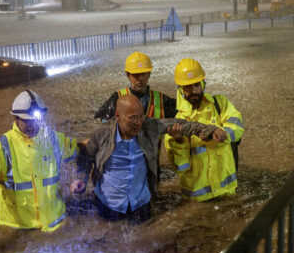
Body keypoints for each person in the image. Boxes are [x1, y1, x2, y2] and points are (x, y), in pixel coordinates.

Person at [72, 94, 226, 223]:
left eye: (141, 116)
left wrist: (210, 131)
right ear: (117, 116)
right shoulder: (102, 134)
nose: (139, 123)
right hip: (109, 206)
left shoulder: (149, 126)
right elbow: (87, 156)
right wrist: (81, 179)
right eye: (133, 118)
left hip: (141, 206)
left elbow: (184, 125)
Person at [0, 90, 81, 232]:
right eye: (26, 120)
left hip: (56, 223)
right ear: (15, 118)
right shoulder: (3, 147)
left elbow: (79, 148)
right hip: (20, 230)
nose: (32, 124)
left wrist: (106, 134)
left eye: (35, 120)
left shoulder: (53, 139)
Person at [164, 58, 244, 201]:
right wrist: (179, 141)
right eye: (188, 87)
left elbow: (237, 126)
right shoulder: (176, 123)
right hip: (197, 200)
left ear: (203, 84)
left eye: (196, 85)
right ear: (180, 90)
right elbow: (180, 167)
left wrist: (224, 134)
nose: (193, 90)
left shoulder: (220, 104)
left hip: (227, 191)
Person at [94, 51, 177, 121]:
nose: (140, 79)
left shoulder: (161, 99)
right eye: (135, 75)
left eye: (143, 74)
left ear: (149, 74)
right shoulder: (117, 98)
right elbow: (102, 122)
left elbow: (183, 110)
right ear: (128, 76)